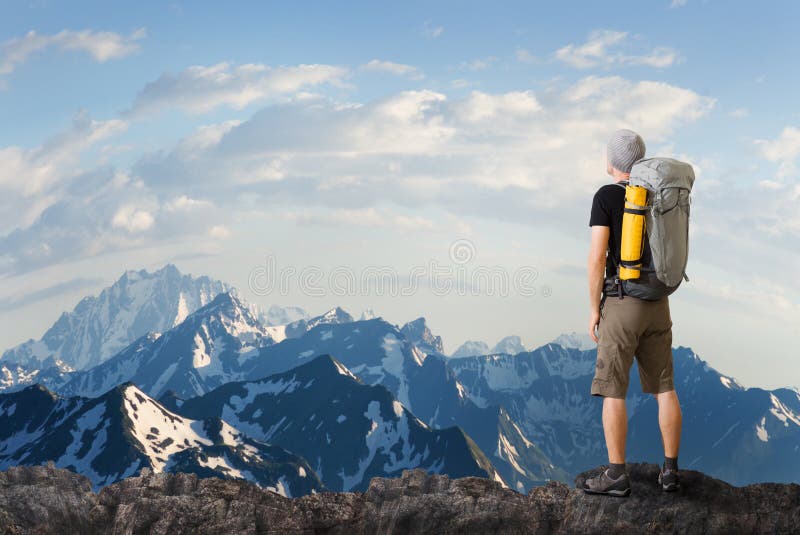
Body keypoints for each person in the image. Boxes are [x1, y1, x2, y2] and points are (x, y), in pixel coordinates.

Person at [582, 129, 682, 497]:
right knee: (665, 388)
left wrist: (594, 308)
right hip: (658, 302)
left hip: (623, 302)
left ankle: (616, 476)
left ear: (612, 161)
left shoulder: (606, 196)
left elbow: (597, 258)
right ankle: (670, 472)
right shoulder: (659, 194)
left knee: (613, 390)